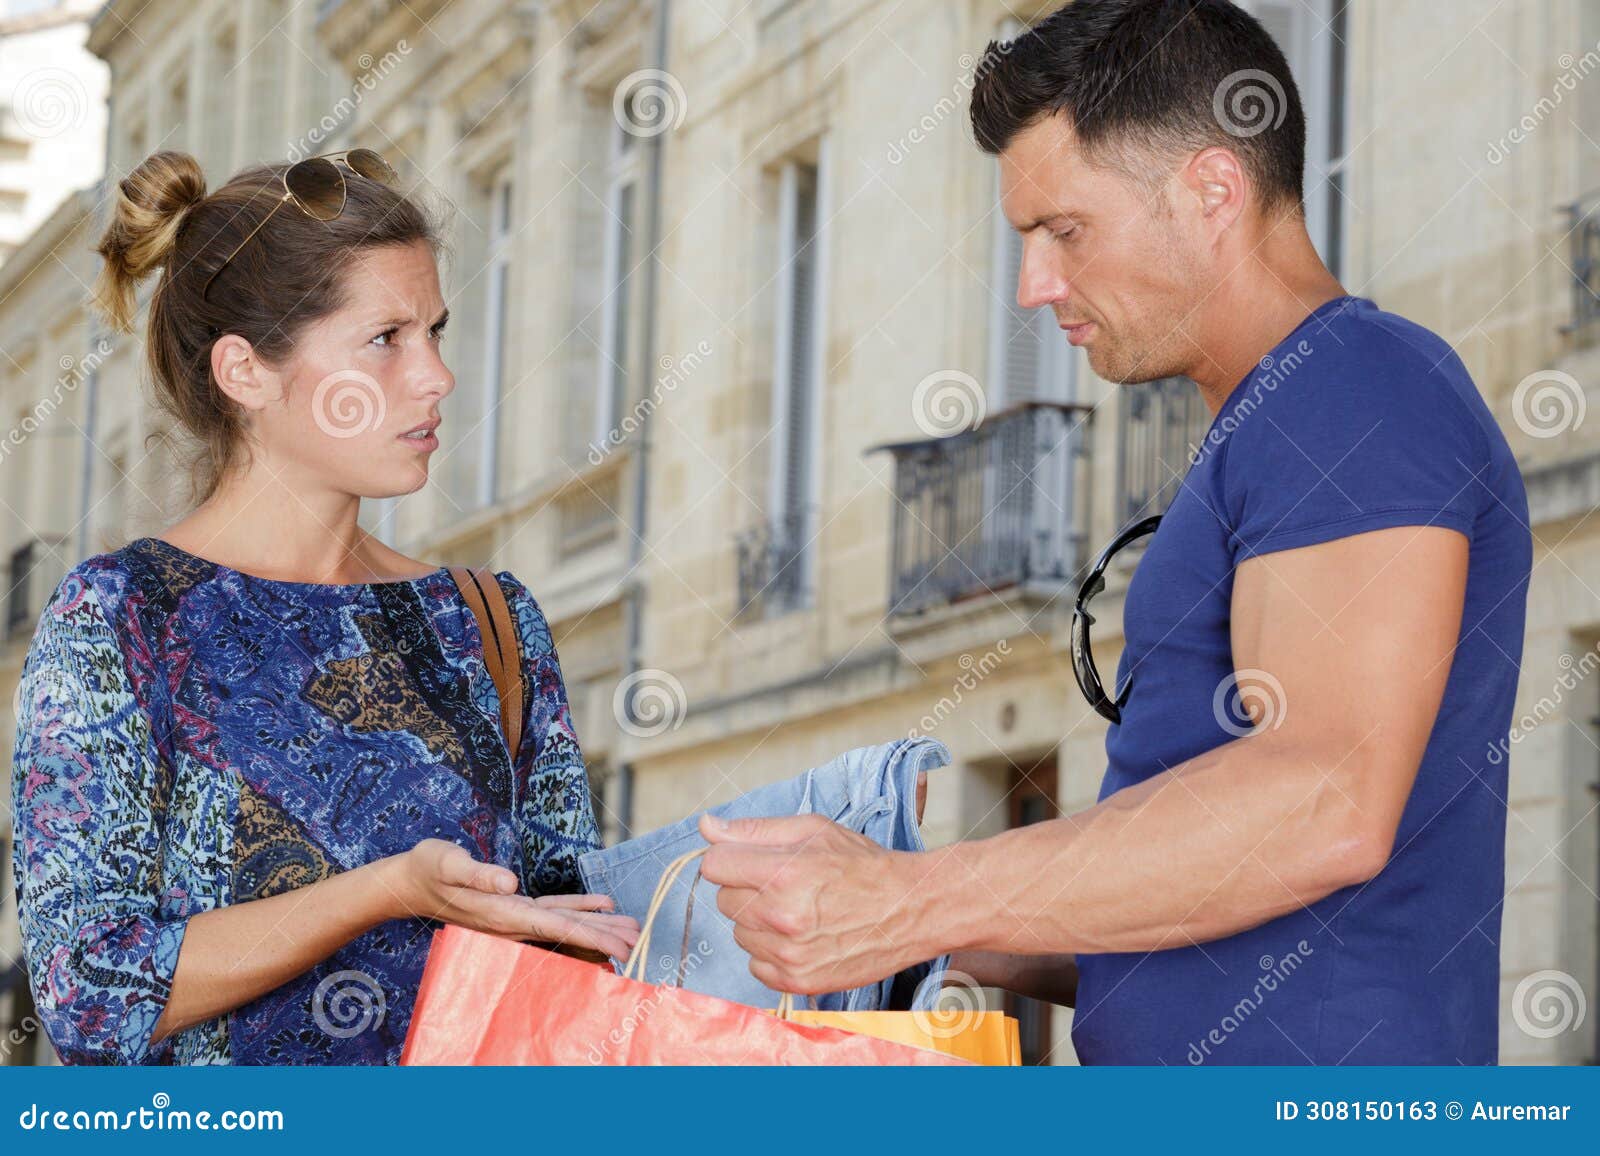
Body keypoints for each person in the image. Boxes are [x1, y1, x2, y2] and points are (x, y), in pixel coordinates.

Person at [699, 0, 1532, 1065]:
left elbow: (1321, 799)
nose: (1032, 286)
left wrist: (914, 897)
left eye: (1064, 231)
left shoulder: (1355, 388)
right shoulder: (1282, 412)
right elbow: (1212, 914)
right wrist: (922, 910)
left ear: (1212, 190)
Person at [9, 149, 637, 1065]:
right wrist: (387, 891)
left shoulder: (490, 620)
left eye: (436, 332)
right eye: (386, 339)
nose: (437, 377)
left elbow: (575, 947)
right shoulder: (121, 616)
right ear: (246, 372)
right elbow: (87, 997)